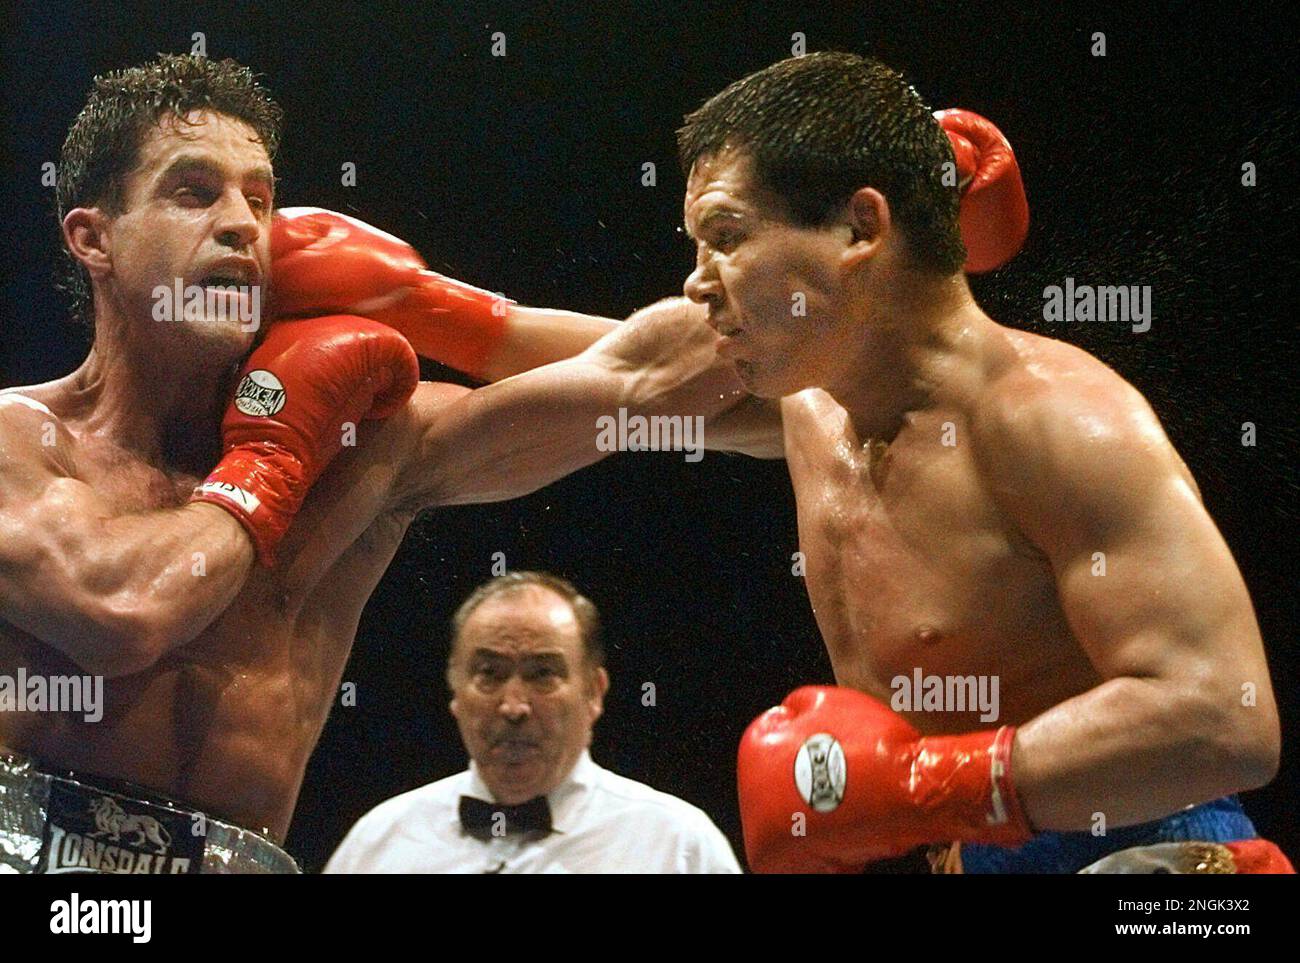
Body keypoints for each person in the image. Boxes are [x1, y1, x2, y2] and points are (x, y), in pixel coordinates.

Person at [0, 54, 764, 873]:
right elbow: (124, 610)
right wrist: (268, 454)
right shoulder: (22, 441)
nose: (241, 224)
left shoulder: (361, 444)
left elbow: (656, 379)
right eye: (194, 192)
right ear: (93, 237)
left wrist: (429, 306)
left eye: (260, 198)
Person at [663, 52, 1287, 873]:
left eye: (727, 237)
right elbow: (607, 385)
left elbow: (1225, 719)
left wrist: (921, 784)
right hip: (973, 849)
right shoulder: (810, 403)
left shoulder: (1057, 418)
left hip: (1146, 851)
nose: (696, 282)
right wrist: (448, 320)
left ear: (859, 228)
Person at [324, 572, 741, 873]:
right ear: (455, 691)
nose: (514, 707)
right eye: (489, 673)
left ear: (593, 692)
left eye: (543, 674)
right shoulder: (378, 844)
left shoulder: (678, 846)